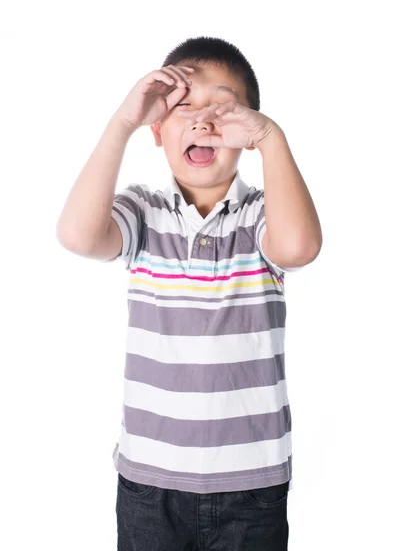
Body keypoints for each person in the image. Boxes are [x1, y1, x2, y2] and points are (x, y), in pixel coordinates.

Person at [56, 36, 322, 551]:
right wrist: (122, 123)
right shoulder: (144, 210)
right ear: (158, 129)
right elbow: (78, 236)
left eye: (222, 108)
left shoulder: (262, 216)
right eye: (184, 107)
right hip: (149, 483)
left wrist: (273, 139)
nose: (202, 121)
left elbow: (300, 247)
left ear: (246, 133)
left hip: (252, 485)